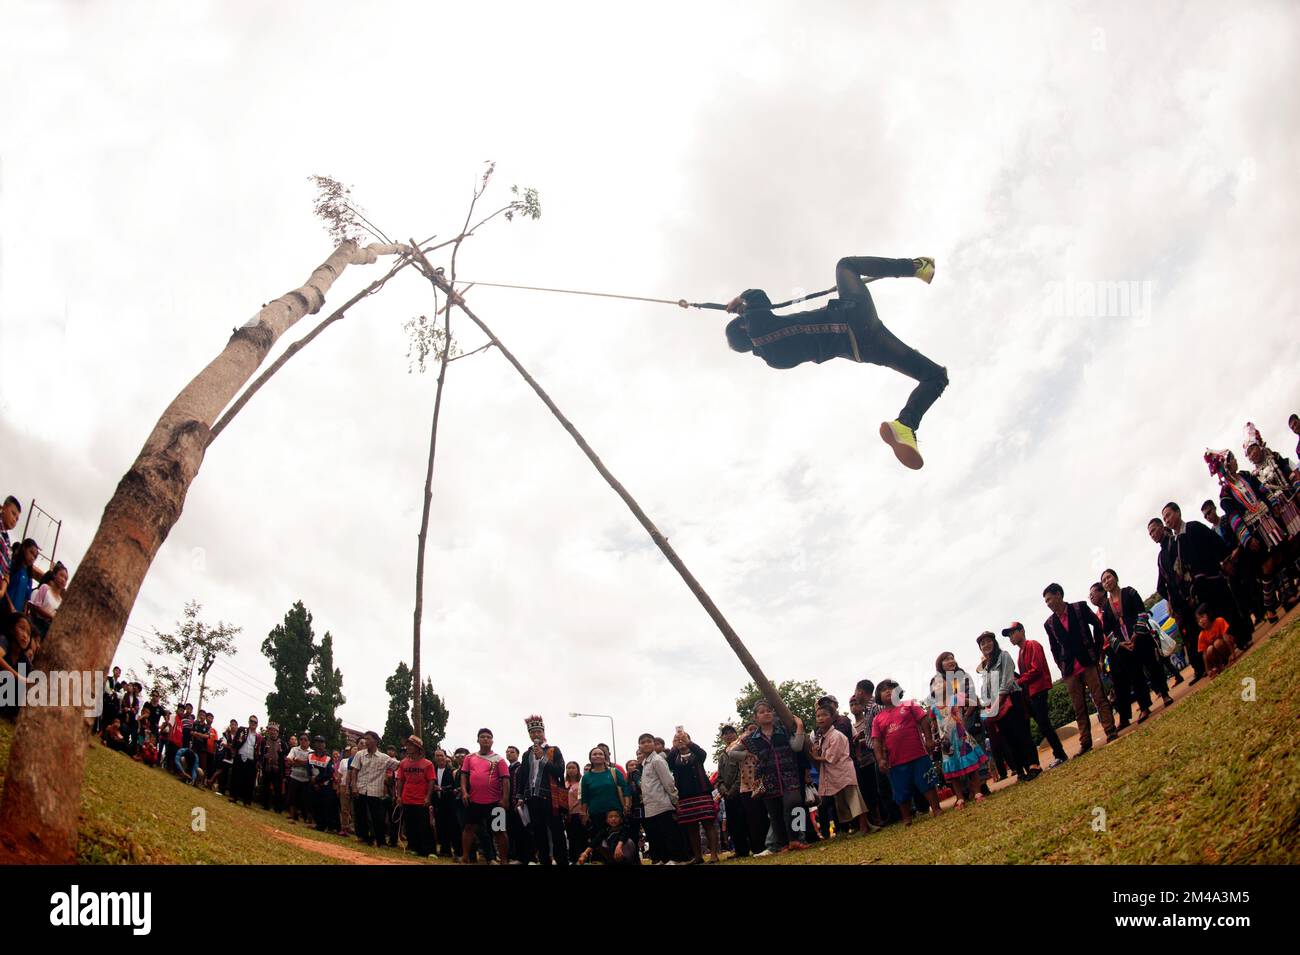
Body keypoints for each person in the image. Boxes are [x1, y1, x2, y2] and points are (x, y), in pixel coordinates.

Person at [723, 254, 945, 470]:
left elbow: (784, 326)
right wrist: (742, 300)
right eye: (743, 320)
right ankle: (918, 267)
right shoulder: (757, 327)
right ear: (743, 326)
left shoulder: (772, 359)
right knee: (846, 265)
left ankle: (906, 425)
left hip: (864, 349)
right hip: (852, 318)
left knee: (935, 376)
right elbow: (757, 296)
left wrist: (750, 311)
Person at [1043, 583, 1118, 752]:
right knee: (1079, 707)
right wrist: (1061, 666)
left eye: (1049, 599)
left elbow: (1097, 625)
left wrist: (1097, 649)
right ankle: (1085, 742)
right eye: (1045, 602)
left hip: (1088, 661)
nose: (1048, 603)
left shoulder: (1079, 608)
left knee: (1099, 698)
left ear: (1058, 595)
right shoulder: (1049, 624)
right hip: (1069, 670)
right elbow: (1053, 648)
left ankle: (1110, 730)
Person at [726, 700, 808, 854]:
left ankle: (798, 839)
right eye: (762, 712)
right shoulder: (752, 738)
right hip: (766, 779)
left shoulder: (783, 730)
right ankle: (784, 844)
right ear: (756, 717)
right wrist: (748, 754)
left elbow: (797, 746)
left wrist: (800, 727)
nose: (766, 713)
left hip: (789, 776)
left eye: (769, 710)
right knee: (775, 814)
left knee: (795, 805)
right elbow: (731, 753)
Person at [1099, 568, 1174, 712]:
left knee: (1153, 666)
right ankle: (1144, 706)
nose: (1107, 581)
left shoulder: (1130, 593)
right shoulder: (1106, 608)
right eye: (1104, 580)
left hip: (1141, 638)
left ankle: (1164, 694)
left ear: (1116, 578)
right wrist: (1119, 643)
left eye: (1109, 577)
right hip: (1125, 646)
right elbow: (1107, 630)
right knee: (1135, 676)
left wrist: (1136, 633)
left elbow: (1142, 612)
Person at [870, 680, 942, 825]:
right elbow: (877, 741)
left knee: (927, 783)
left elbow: (924, 721)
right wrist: (880, 759)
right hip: (895, 761)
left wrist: (928, 740)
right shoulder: (878, 719)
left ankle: (936, 809)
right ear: (878, 696)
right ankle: (906, 818)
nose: (888, 691)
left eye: (891, 688)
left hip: (918, 754)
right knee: (901, 790)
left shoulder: (910, 705)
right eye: (883, 690)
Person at [1001, 622, 1068, 768]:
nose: (1011, 637)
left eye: (1012, 633)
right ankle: (1059, 753)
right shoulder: (1020, 653)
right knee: (1043, 725)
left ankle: (1060, 754)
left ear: (1022, 631)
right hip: (1031, 693)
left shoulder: (1033, 645)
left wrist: (1018, 681)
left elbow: (1036, 669)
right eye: (1009, 635)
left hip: (1039, 689)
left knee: (1044, 724)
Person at [975, 632, 1040, 779]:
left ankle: (1034, 765)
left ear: (994, 642)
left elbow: (1007, 680)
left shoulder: (1004, 656)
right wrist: (989, 706)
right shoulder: (986, 669)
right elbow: (985, 689)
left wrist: (998, 700)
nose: (986, 645)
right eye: (982, 643)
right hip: (997, 706)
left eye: (988, 641)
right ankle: (1021, 769)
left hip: (1011, 698)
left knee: (1021, 733)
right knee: (1009, 738)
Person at [927, 653, 988, 807]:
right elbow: (932, 721)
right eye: (936, 685)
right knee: (953, 768)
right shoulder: (934, 707)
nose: (939, 686)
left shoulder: (956, 697)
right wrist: (934, 730)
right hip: (947, 742)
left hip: (962, 737)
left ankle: (978, 790)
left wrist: (965, 716)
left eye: (941, 683)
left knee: (971, 764)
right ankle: (961, 796)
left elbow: (973, 702)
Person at [1150, 517, 1205, 682]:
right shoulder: (1160, 556)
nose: (1152, 535)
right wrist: (1170, 599)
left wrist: (1190, 589)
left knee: (1200, 628)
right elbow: (1160, 585)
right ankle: (1199, 669)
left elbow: (1189, 563)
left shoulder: (1177, 541)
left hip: (1190, 594)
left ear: (1162, 527)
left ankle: (1211, 660)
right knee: (1188, 636)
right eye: (1150, 533)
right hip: (1178, 603)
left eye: (1153, 530)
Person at [809, 704, 873, 831]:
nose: (821, 718)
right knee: (843, 803)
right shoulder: (822, 736)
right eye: (818, 716)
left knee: (855, 802)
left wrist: (816, 757)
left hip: (844, 772)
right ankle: (857, 827)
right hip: (834, 775)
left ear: (832, 717)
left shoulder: (836, 735)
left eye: (824, 715)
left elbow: (831, 757)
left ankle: (864, 826)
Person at [516, 714, 568, 866]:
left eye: (539, 731)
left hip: (551, 798)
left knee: (557, 832)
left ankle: (562, 861)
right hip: (532, 798)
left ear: (543, 732)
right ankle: (544, 860)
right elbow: (523, 776)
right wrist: (520, 796)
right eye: (533, 732)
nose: (536, 735)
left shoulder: (553, 751)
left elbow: (560, 771)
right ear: (529, 734)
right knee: (538, 833)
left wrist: (543, 759)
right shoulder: (526, 754)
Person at [667, 729, 720, 864]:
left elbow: (703, 753)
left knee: (708, 823)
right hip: (684, 796)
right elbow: (669, 763)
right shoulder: (675, 757)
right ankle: (698, 856)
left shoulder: (697, 754)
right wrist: (674, 746)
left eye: (683, 739)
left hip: (701, 793)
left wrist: (688, 742)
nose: (680, 741)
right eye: (677, 739)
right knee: (691, 827)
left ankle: (714, 855)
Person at [460, 728, 511, 865]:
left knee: (499, 830)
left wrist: (505, 799)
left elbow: (506, 780)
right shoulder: (469, 758)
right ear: (478, 740)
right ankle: (465, 857)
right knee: (469, 828)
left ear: (492, 741)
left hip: (495, 802)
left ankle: (504, 860)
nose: (486, 739)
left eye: (488, 737)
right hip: (474, 801)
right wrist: (464, 792)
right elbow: (464, 775)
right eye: (482, 736)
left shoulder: (499, 760)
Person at [579, 744, 631, 854]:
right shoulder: (586, 777)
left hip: (614, 812)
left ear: (604, 757)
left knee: (617, 841)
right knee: (599, 842)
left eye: (600, 754)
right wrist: (584, 813)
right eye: (594, 754)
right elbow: (585, 798)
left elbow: (626, 789)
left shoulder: (614, 771)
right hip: (596, 813)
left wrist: (627, 805)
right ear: (590, 758)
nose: (597, 756)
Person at [394, 735, 435, 856]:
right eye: (408, 745)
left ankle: (429, 851)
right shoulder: (403, 763)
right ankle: (414, 847)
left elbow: (431, 781)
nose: (409, 747)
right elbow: (400, 780)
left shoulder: (427, 764)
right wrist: (399, 796)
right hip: (407, 798)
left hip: (421, 800)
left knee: (424, 825)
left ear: (418, 748)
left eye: (412, 745)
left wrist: (428, 797)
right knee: (410, 825)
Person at [715, 725, 751, 858]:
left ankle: (753, 847)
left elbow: (741, 772)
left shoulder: (740, 748)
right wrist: (724, 790)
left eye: (731, 732)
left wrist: (733, 789)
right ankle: (740, 850)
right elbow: (719, 778)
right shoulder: (722, 756)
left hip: (741, 791)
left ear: (736, 734)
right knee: (733, 824)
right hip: (727, 795)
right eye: (725, 733)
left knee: (745, 821)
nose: (728, 735)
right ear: (722, 737)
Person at [26, 560, 67, 639]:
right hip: (37, 624)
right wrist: (51, 617)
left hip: (48, 631)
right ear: (54, 575)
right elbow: (36, 606)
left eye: (66, 578)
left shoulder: (61, 601)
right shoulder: (45, 587)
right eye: (61, 575)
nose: (63, 580)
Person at [307, 735, 340, 832]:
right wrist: (312, 780)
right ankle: (319, 825)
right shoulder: (310, 755)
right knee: (315, 804)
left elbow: (329, 773)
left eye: (321, 742)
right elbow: (308, 769)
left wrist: (317, 780)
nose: (319, 744)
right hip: (313, 785)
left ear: (324, 744)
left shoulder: (329, 758)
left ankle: (330, 826)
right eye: (317, 742)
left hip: (325, 786)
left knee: (326, 806)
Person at [431, 749, 460, 857]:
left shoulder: (452, 771)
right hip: (437, 804)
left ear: (445, 756)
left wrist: (441, 789)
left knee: (453, 828)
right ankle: (445, 850)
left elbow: (454, 787)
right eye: (437, 755)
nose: (439, 758)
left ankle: (457, 851)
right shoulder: (432, 770)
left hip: (450, 804)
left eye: (441, 755)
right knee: (440, 827)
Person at [1196, 604, 1237, 676]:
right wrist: (1208, 670)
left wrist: (1233, 653)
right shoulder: (1201, 635)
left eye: (1202, 617)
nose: (1201, 621)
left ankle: (1229, 657)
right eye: (1198, 620)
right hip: (1217, 654)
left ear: (1209, 614)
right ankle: (1219, 666)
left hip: (1226, 647)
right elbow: (1205, 654)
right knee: (1209, 649)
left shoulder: (1219, 621)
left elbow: (1226, 638)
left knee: (1217, 643)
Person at [229, 715, 261, 806]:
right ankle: (233, 796)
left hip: (251, 759)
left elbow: (259, 750)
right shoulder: (242, 730)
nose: (253, 723)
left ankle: (246, 801)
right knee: (236, 777)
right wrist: (233, 751)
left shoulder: (259, 737)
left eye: (255, 722)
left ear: (257, 724)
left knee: (249, 781)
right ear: (249, 722)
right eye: (251, 721)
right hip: (240, 756)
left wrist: (258, 761)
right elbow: (235, 741)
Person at [258, 722, 287, 812]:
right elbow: (260, 753)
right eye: (270, 730)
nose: (272, 732)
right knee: (265, 787)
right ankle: (265, 805)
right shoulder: (264, 741)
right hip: (267, 767)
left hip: (278, 769)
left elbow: (285, 756)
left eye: (274, 730)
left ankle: (278, 808)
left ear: (277, 732)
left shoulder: (282, 743)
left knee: (277, 789)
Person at [563, 761, 588, 865]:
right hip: (567, 814)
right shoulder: (564, 783)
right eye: (568, 768)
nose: (571, 770)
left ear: (577, 769)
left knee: (581, 837)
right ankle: (573, 859)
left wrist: (585, 813)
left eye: (573, 768)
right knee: (571, 837)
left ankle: (583, 858)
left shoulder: (582, 782)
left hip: (580, 813)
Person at [286, 732, 313, 824]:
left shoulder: (311, 752)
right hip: (294, 776)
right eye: (301, 739)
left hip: (306, 779)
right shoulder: (294, 749)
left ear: (309, 742)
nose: (303, 741)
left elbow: (310, 764)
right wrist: (303, 763)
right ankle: (292, 816)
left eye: (305, 740)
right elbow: (289, 760)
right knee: (292, 797)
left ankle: (306, 818)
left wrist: (297, 760)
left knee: (305, 799)